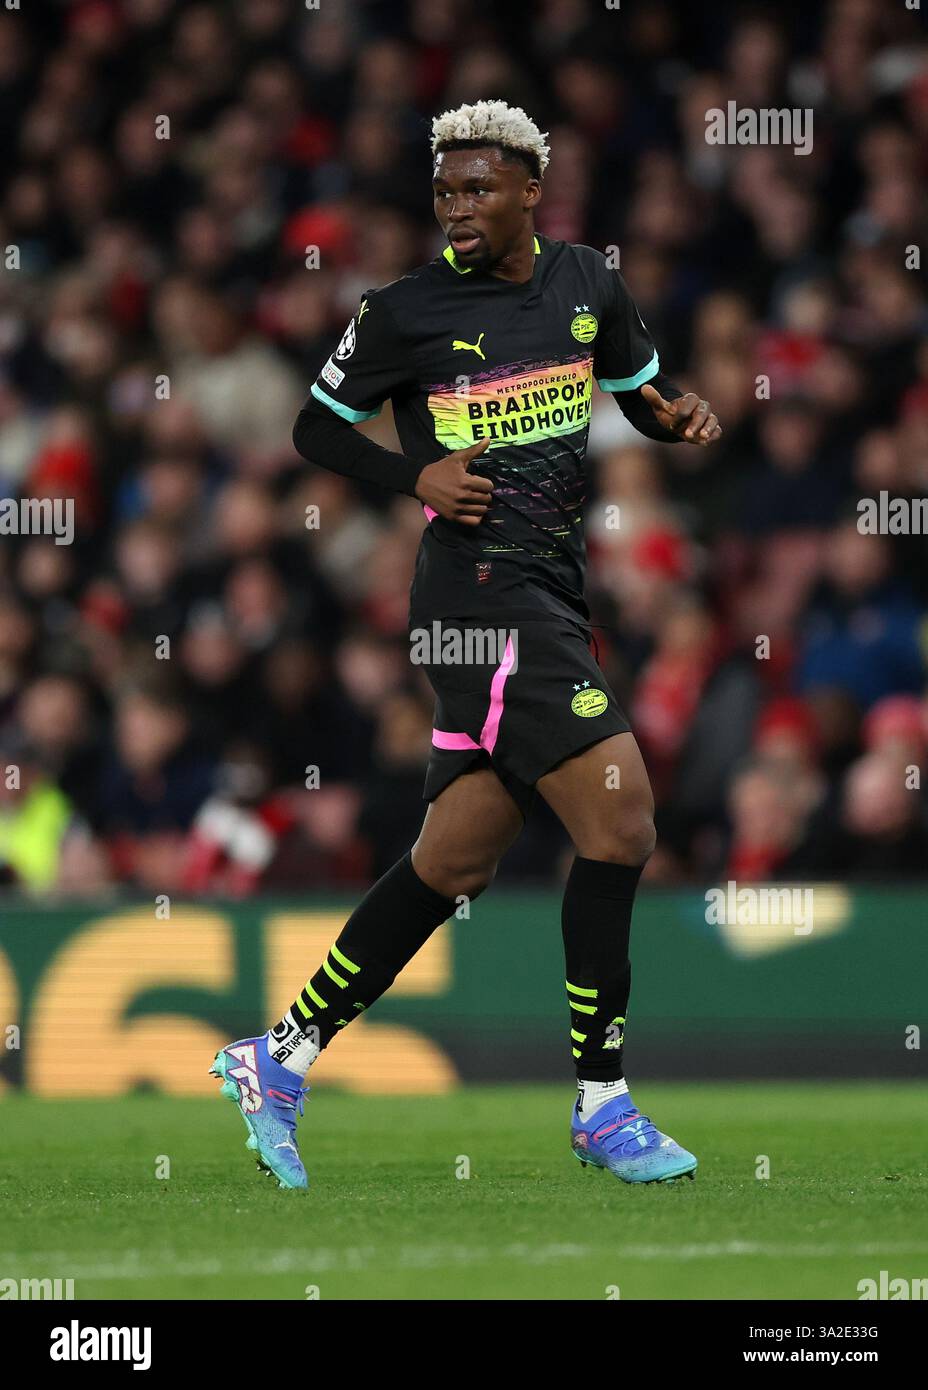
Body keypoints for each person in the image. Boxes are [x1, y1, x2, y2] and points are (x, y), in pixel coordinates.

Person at [210, 100, 722, 1189]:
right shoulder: (402, 312)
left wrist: (672, 416)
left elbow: (635, 389)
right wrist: (414, 478)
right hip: (474, 600)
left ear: (532, 189)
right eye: (445, 192)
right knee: (623, 817)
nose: (458, 209)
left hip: (553, 592)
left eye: (479, 190)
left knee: (455, 857)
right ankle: (602, 1103)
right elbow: (311, 425)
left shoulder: (587, 282)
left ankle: (280, 1054)